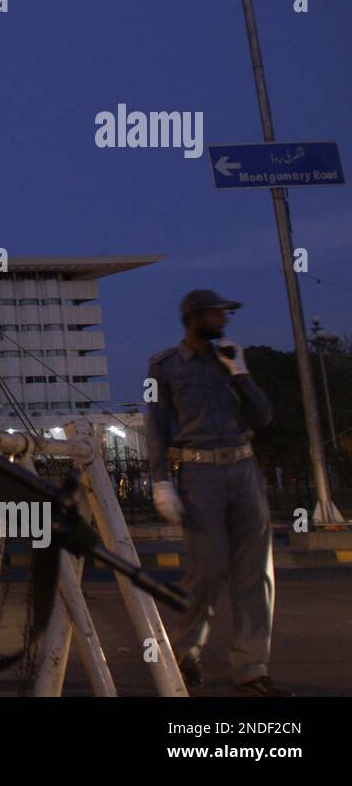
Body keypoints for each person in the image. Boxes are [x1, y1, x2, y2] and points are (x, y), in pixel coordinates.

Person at [146, 289, 292, 696]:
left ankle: (252, 666)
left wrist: (241, 373)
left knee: (255, 572)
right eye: (217, 313)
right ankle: (186, 654)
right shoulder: (164, 366)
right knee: (205, 571)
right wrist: (161, 481)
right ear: (194, 316)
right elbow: (156, 425)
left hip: (244, 468)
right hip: (199, 474)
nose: (224, 319)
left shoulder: (230, 359)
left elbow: (262, 416)